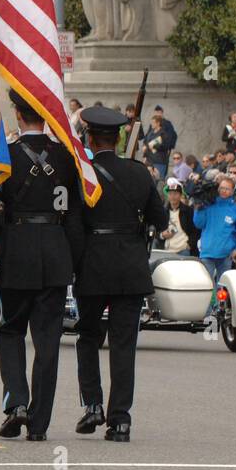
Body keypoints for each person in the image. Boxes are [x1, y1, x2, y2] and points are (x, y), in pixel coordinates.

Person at [0, 89, 84, 441]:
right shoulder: (65, 156)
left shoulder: (8, 156)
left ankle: (16, 403)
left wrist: (4, 235)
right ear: (45, 114)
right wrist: (70, 256)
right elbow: (75, 215)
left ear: (17, 114)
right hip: (55, 251)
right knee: (47, 341)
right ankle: (39, 424)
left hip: (17, 250)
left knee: (11, 330)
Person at [73, 106, 168, 443]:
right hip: (129, 267)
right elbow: (162, 220)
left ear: (89, 137)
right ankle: (121, 421)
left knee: (87, 336)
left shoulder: (83, 174)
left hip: (93, 266)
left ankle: (93, 405)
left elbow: (74, 225)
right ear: (118, 138)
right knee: (124, 345)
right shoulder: (139, 173)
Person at [191, 175, 236, 291]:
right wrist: (198, 208)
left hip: (225, 255)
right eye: (222, 188)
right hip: (207, 253)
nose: (224, 191)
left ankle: (221, 308)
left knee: (223, 288)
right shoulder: (208, 204)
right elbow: (198, 224)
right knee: (206, 286)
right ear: (218, 189)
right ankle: (207, 309)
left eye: (227, 189)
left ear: (232, 191)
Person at [158, 178, 199, 256]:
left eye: (175, 193)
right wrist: (162, 235)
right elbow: (156, 230)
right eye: (170, 193)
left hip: (183, 250)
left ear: (180, 195)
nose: (172, 196)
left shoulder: (188, 211)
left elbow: (195, 231)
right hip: (166, 250)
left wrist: (189, 245)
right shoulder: (163, 212)